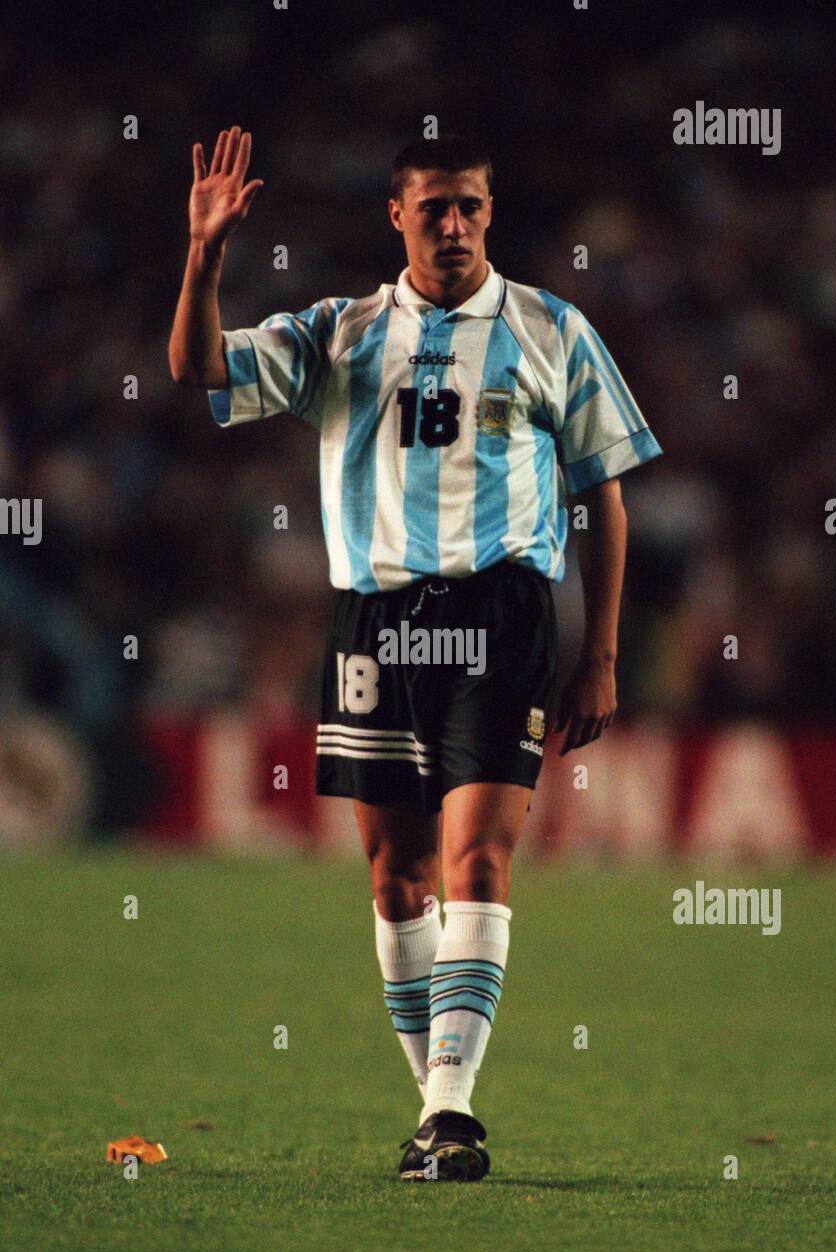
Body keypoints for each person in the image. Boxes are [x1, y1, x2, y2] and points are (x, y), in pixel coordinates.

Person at [169, 127, 663, 1181]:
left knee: (477, 855)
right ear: (397, 214)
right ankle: (437, 1115)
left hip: (504, 619)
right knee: (397, 879)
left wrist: (603, 653)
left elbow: (606, 494)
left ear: (492, 214)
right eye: (434, 206)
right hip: (373, 627)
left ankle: (453, 1110)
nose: (453, 225)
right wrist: (206, 254)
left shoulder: (551, 329)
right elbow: (197, 367)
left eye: (470, 207)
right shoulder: (339, 331)